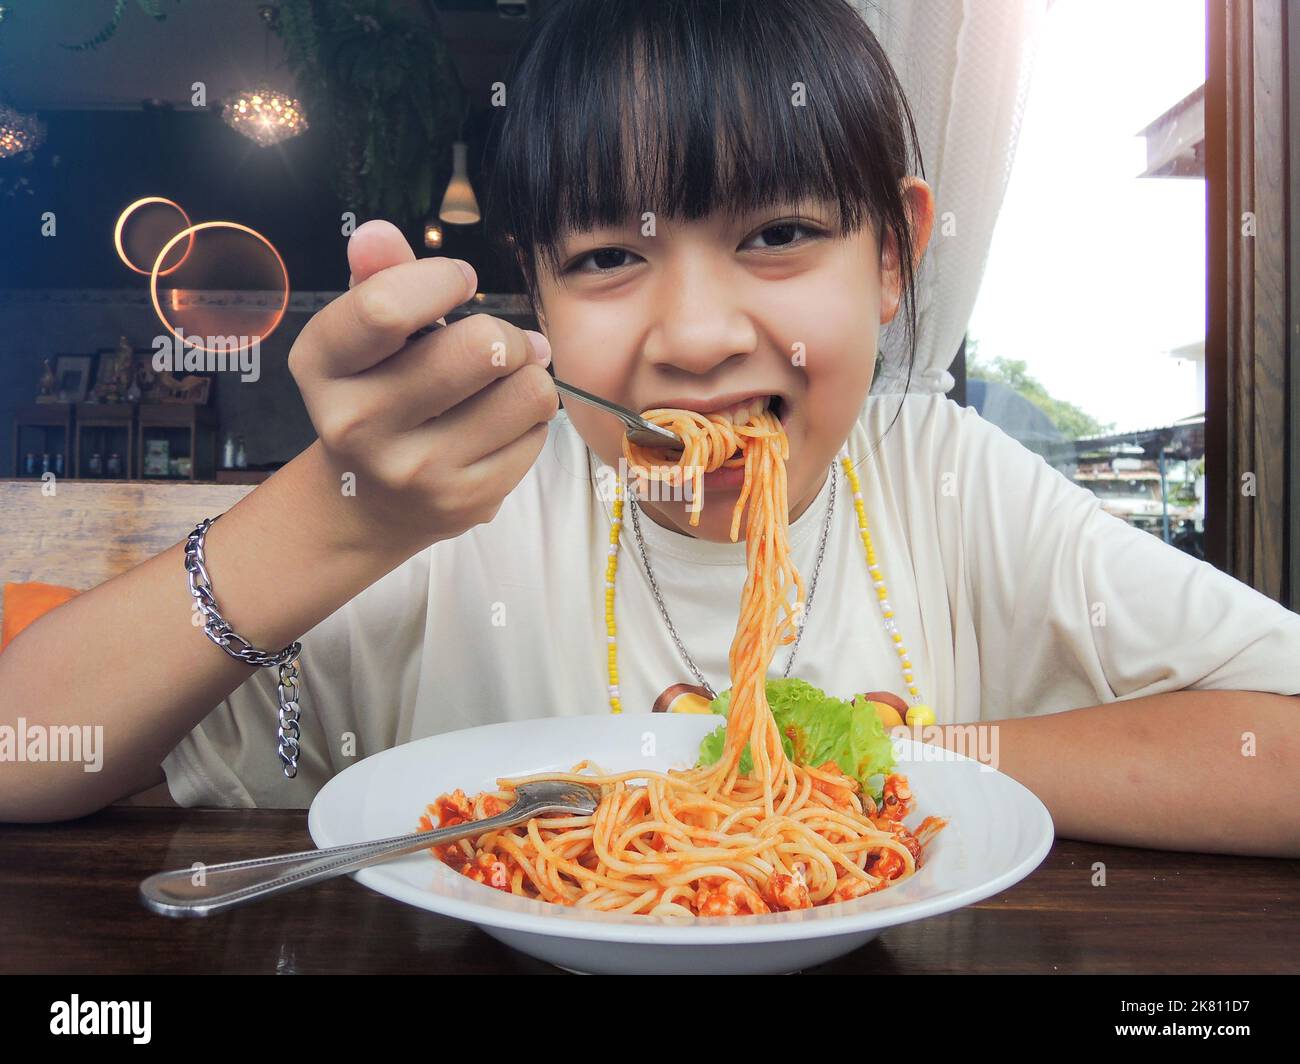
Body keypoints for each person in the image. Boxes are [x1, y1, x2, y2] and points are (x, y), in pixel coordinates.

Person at [2, 0, 1297, 859]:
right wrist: (337, 519)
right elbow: (24, 748)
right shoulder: (465, 516)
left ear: (894, 257)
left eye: (779, 236)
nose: (693, 333)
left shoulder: (944, 484)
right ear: (540, 293)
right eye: (612, 255)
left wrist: (897, 759)